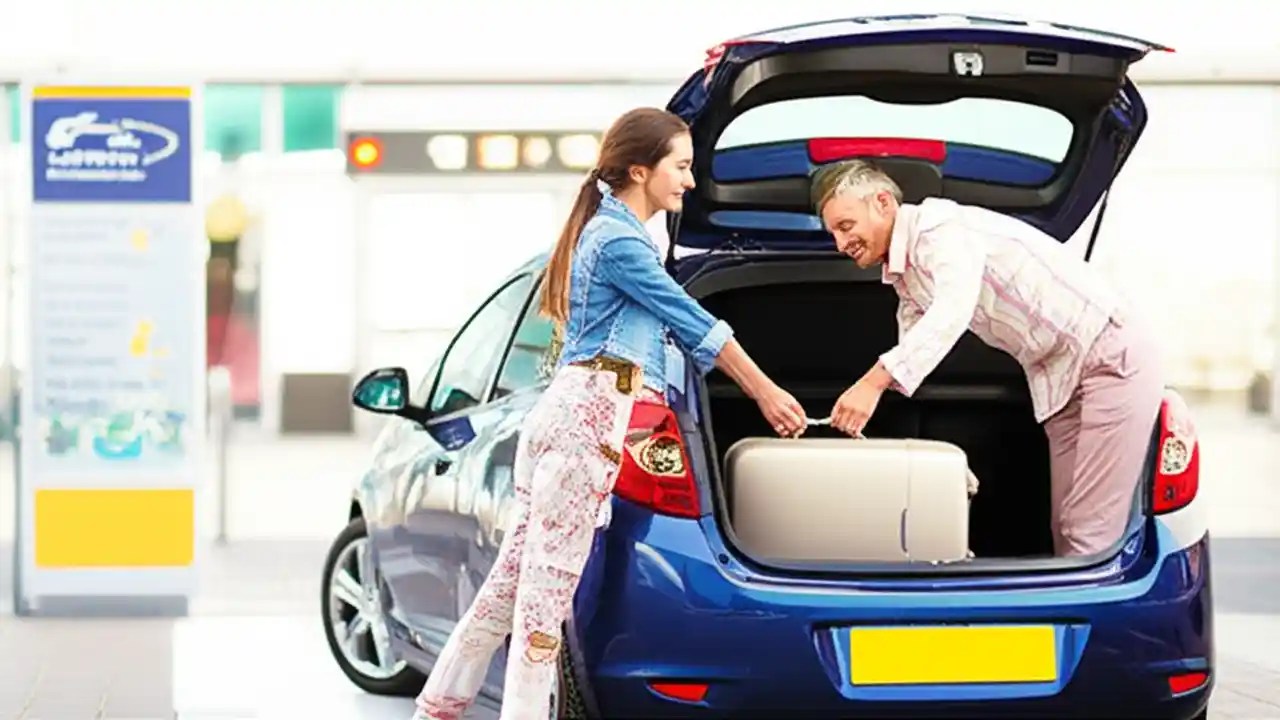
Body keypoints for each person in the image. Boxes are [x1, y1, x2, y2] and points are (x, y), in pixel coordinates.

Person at [411, 107, 806, 720]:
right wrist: (764, 391)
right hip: (587, 420)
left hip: (572, 416)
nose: (691, 182)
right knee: (543, 611)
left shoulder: (611, 231)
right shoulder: (619, 241)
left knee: (510, 590)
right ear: (639, 170)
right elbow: (691, 319)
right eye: (681, 167)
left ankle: (435, 710)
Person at [812, 159, 1163, 559]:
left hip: (1108, 355)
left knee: (1089, 534)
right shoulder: (908, 276)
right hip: (1058, 378)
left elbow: (953, 308)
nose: (841, 245)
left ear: (882, 203)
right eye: (833, 234)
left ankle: (1077, 623)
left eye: (845, 226)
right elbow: (913, 348)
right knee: (1066, 529)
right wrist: (865, 422)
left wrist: (871, 383)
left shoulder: (940, 229)